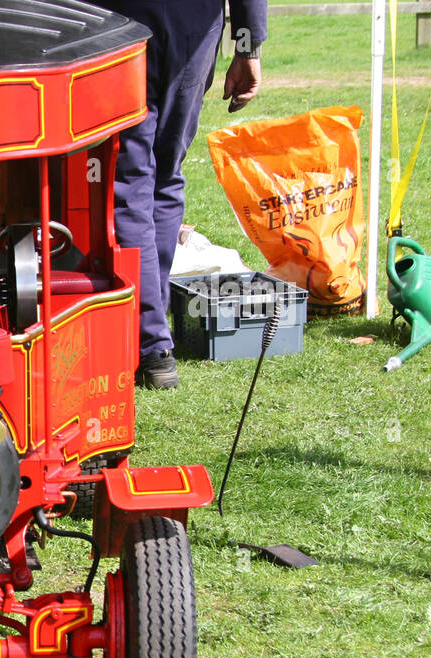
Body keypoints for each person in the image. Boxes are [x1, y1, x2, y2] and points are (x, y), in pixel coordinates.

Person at [93, 0, 267, 389]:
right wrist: (248, 45)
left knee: (132, 183)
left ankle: (151, 343)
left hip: (117, 23)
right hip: (189, 26)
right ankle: (154, 340)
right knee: (161, 179)